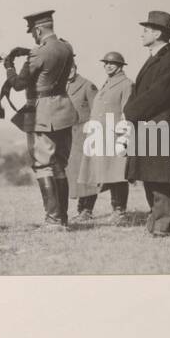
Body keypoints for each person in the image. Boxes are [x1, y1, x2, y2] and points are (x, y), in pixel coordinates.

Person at [5, 10, 77, 229]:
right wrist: (27, 52)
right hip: (63, 110)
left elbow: (18, 84)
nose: (33, 38)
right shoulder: (66, 47)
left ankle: (53, 220)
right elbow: (50, 59)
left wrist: (9, 66)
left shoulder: (38, 53)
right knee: (59, 166)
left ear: (38, 30)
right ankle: (62, 218)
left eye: (33, 33)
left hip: (42, 114)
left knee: (43, 165)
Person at [123, 10, 170, 237]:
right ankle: (156, 221)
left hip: (162, 127)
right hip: (151, 125)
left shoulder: (169, 60)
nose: (142, 34)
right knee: (151, 175)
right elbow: (142, 91)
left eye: (146, 30)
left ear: (158, 33)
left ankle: (162, 224)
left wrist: (129, 112)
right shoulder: (157, 58)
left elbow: (157, 94)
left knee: (160, 178)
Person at [75, 51, 132, 223]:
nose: (108, 65)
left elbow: (127, 111)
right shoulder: (107, 83)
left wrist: (123, 137)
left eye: (112, 63)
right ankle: (85, 210)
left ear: (120, 66)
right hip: (98, 135)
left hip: (114, 136)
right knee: (93, 173)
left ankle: (119, 211)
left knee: (117, 174)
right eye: (106, 63)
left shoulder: (126, 84)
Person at [64, 63, 98, 221]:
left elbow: (96, 111)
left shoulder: (87, 85)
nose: (69, 71)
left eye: (71, 67)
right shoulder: (61, 85)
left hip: (85, 135)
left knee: (87, 174)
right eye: (66, 68)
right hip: (69, 136)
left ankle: (87, 210)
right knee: (75, 174)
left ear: (76, 68)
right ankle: (80, 209)